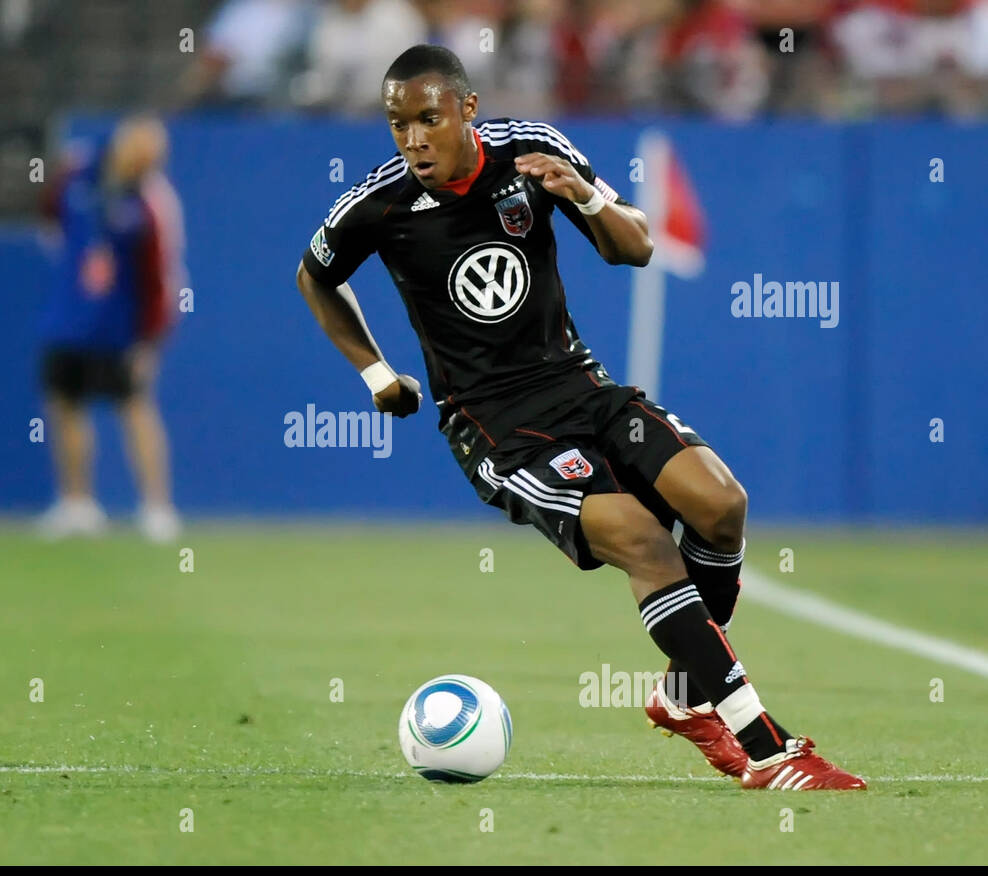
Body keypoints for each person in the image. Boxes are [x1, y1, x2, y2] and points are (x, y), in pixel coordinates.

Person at [295, 44, 864, 790]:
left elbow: (636, 247)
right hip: (496, 428)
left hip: (581, 387)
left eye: (426, 118)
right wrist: (375, 372)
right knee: (643, 538)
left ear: (468, 109)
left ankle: (684, 696)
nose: (412, 139)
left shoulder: (532, 151)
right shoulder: (379, 205)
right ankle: (768, 748)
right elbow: (315, 275)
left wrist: (585, 197)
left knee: (720, 505)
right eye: (397, 123)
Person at [36, 116, 184, 543]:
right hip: (69, 321)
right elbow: (50, 221)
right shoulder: (76, 173)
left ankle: (157, 508)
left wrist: (150, 341)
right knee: (65, 405)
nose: (145, 162)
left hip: (121, 328)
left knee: (135, 408)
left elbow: (163, 276)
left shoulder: (154, 200)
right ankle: (76, 504)